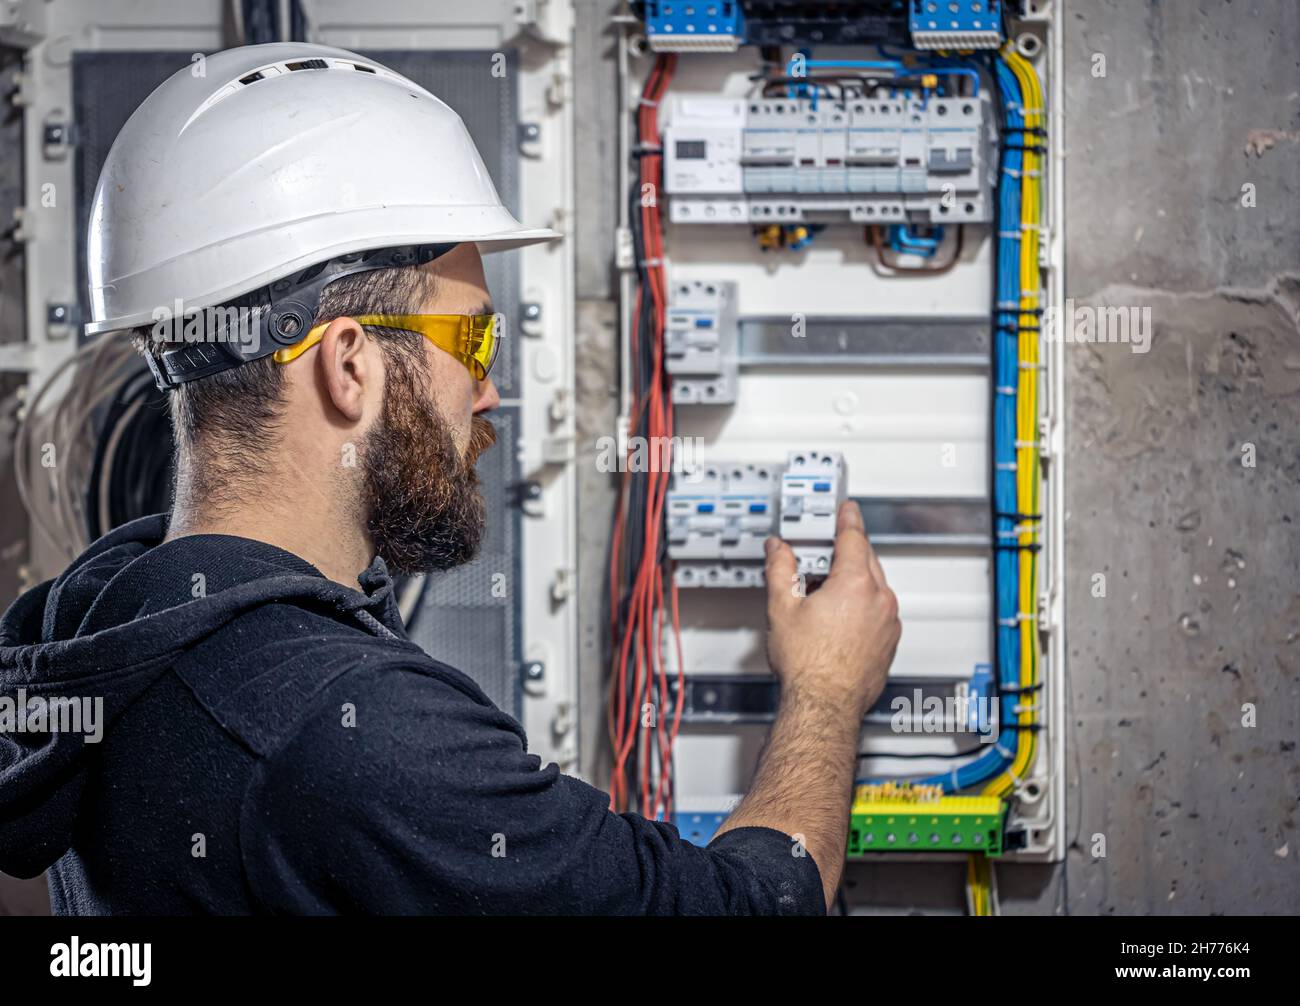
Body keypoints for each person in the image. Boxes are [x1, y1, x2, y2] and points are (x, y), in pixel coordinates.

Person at [0, 43, 900, 914]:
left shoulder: (97, 620)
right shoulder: (351, 731)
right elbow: (747, 909)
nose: (491, 391)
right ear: (349, 365)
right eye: (473, 341)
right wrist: (825, 690)